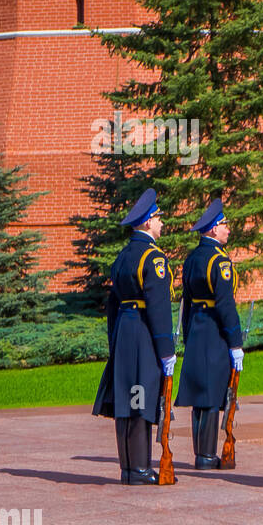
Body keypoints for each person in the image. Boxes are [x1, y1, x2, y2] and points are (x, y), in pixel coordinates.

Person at [92, 188, 176, 485]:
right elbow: (158, 307)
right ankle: (140, 469)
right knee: (141, 398)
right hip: (143, 332)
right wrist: (166, 350)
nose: (162, 223)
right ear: (147, 222)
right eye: (159, 218)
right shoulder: (153, 258)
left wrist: (114, 340)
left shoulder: (124, 256)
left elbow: (112, 304)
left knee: (127, 400)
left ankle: (128, 468)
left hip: (124, 332)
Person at [174, 198, 244, 469]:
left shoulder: (192, 258)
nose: (228, 229)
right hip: (215, 331)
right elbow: (225, 304)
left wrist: (189, 334)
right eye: (225, 224)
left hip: (197, 329)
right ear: (214, 228)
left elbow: (187, 301)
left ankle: (201, 453)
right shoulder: (220, 260)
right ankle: (206, 456)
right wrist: (235, 342)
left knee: (200, 397)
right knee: (213, 394)